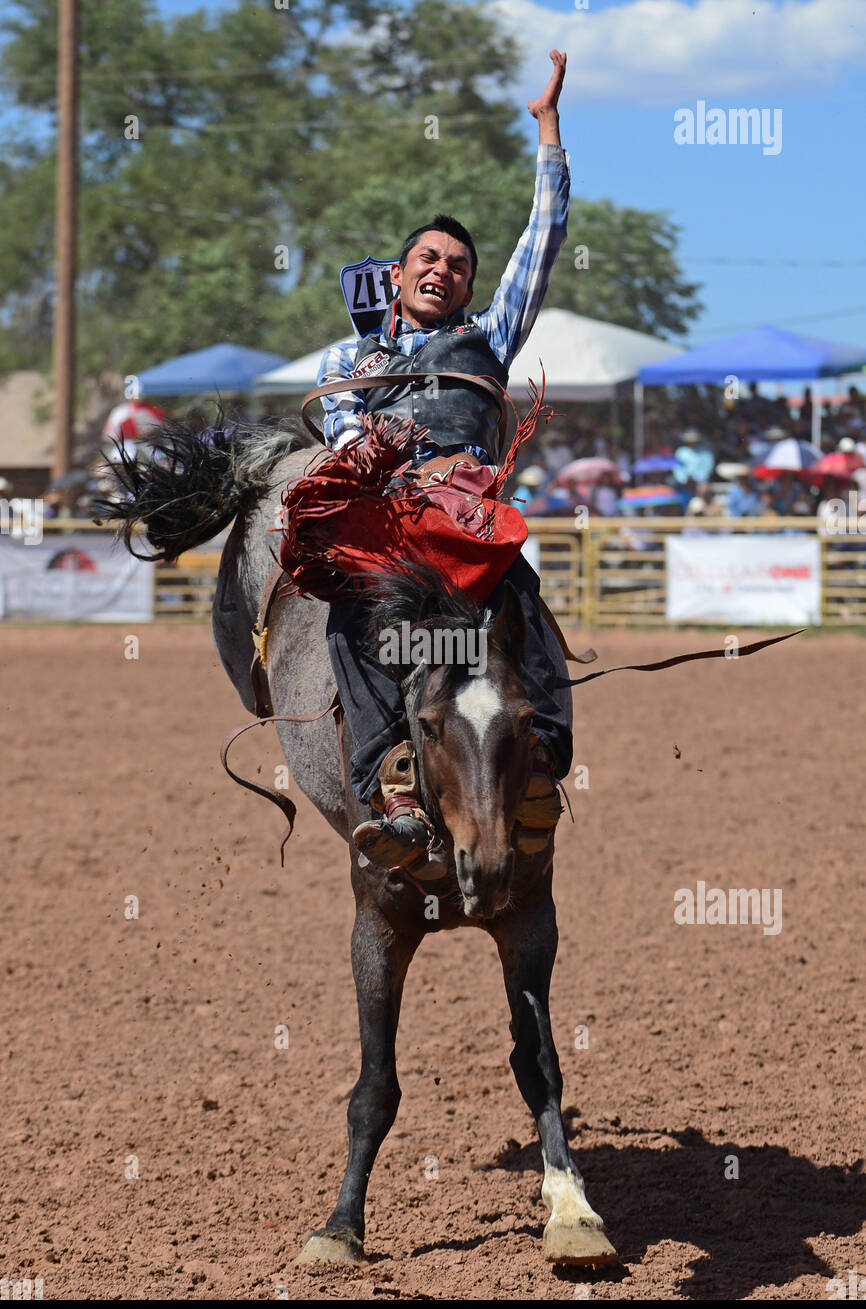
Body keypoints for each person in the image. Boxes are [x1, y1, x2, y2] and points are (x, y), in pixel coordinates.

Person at [315, 50, 573, 875]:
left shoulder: (488, 338)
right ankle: (386, 784)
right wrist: (379, 462)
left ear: (468, 289)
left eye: (458, 266)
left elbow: (542, 241)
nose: (444, 270)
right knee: (348, 624)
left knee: (526, 605)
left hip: (471, 525)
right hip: (391, 526)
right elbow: (341, 426)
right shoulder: (348, 357)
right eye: (429, 259)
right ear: (398, 277)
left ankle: (541, 764)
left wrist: (549, 135)